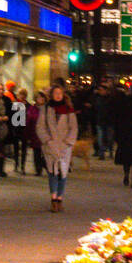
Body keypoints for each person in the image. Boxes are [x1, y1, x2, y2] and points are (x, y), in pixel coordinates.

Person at [35, 84, 78, 212]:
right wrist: (47, 140)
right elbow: (40, 127)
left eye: (60, 93)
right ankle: (53, 199)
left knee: (63, 173)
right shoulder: (46, 109)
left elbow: (74, 127)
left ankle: (60, 198)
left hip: (64, 146)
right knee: (52, 172)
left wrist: (68, 142)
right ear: (52, 95)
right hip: (50, 145)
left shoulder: (69, 109)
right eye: (56, 93)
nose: (58, 95)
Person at [10, 89, 31, 174]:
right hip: (16, 128)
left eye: (23, 95)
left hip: (24, 129)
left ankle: (22, 166)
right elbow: (12, 116)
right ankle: (16, 165)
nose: (21, 96)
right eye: (20, 94)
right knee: (15, 148)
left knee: (24, 149)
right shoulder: (15, 105)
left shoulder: (28, 105)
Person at [27, 90, 47, 177]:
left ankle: (45, 165)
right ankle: (38, 169)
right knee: (36, 152)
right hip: (35, 134)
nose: (41, 99)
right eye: (39, 97)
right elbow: (29, 120)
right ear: (36, 99)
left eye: (42, 97)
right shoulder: (32, 108)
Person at [93, 81, 115, 159]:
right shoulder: (98, 98)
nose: (100, 91)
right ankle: (101, 153)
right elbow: (95, 108)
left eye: (101, 90)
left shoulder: (111, 99)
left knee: (110, 138)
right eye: (99, 90)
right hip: (100, 121)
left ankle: (111, 152)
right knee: (100, 138)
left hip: (109, 122)